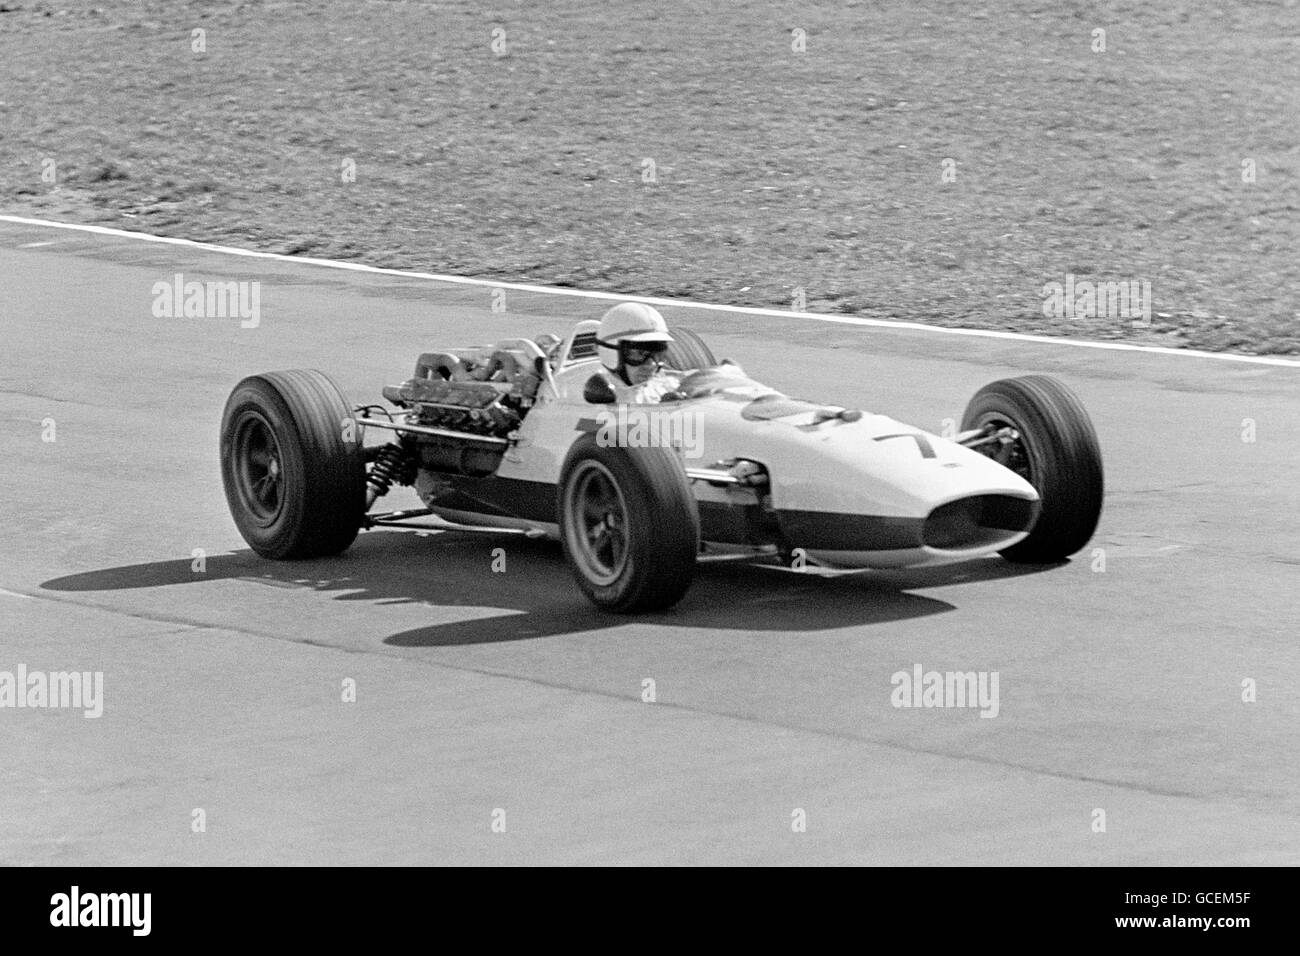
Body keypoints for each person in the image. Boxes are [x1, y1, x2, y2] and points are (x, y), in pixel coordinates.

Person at [594, 302, 684, 403]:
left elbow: (694, 379)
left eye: (658, 355)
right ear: (611, 351)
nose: (652, 365)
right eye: (639, 353)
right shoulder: (596, 395)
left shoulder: (661, 384)